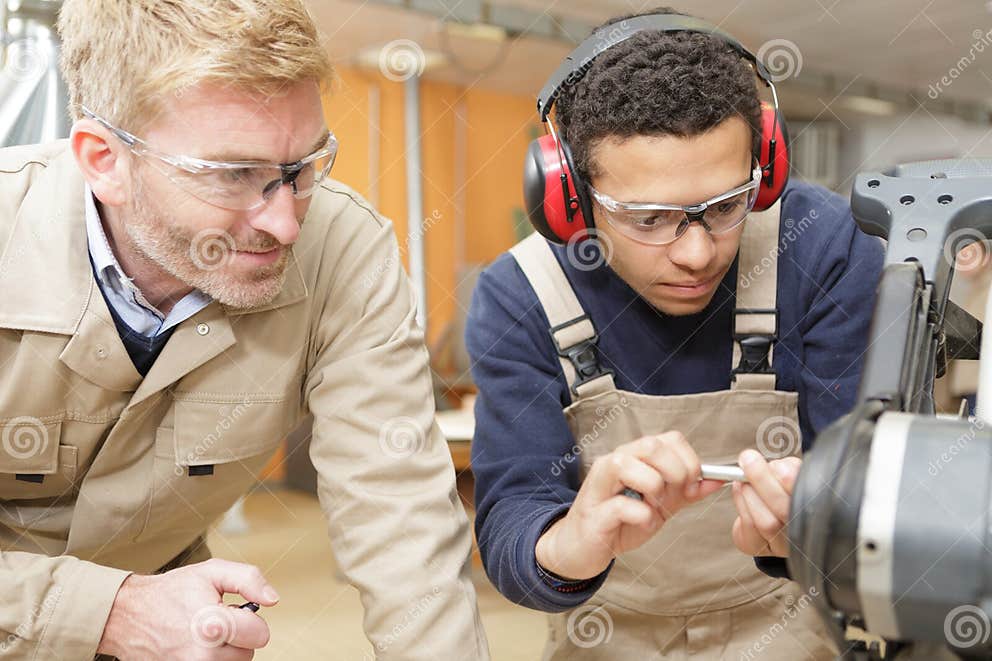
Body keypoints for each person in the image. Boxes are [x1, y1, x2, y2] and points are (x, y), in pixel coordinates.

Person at [0, 1, 488, 659]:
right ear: (104, 159)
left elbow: (403, 526)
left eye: (303, 167)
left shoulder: (342, 248)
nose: (285, 223)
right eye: (233, 175)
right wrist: (105, 609)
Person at [465, 8, 884, 659]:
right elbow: (514, 512)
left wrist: (817, 529)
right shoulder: (521, 293)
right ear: (570, 194)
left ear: (764, 166)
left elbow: (877, 490)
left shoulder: (823, 248)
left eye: (723, 205)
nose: (695, 253)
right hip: (607, 632)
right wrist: (572, 541)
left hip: (790, 616)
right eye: (649, 217)